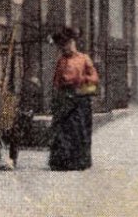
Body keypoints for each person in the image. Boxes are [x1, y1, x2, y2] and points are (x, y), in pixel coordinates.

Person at [48, 27, 98, 170]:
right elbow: (56, 81)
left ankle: (79, 162)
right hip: (64, 98)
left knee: (78, 129)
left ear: (73, 43)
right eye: (62, 46)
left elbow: (94, 78)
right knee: (62, 130)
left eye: (67, 44)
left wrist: (82, 80)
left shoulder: (84, 59)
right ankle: (61, 162)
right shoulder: (61, 61)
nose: (65, 48)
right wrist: (55, 96)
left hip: (80, 98)